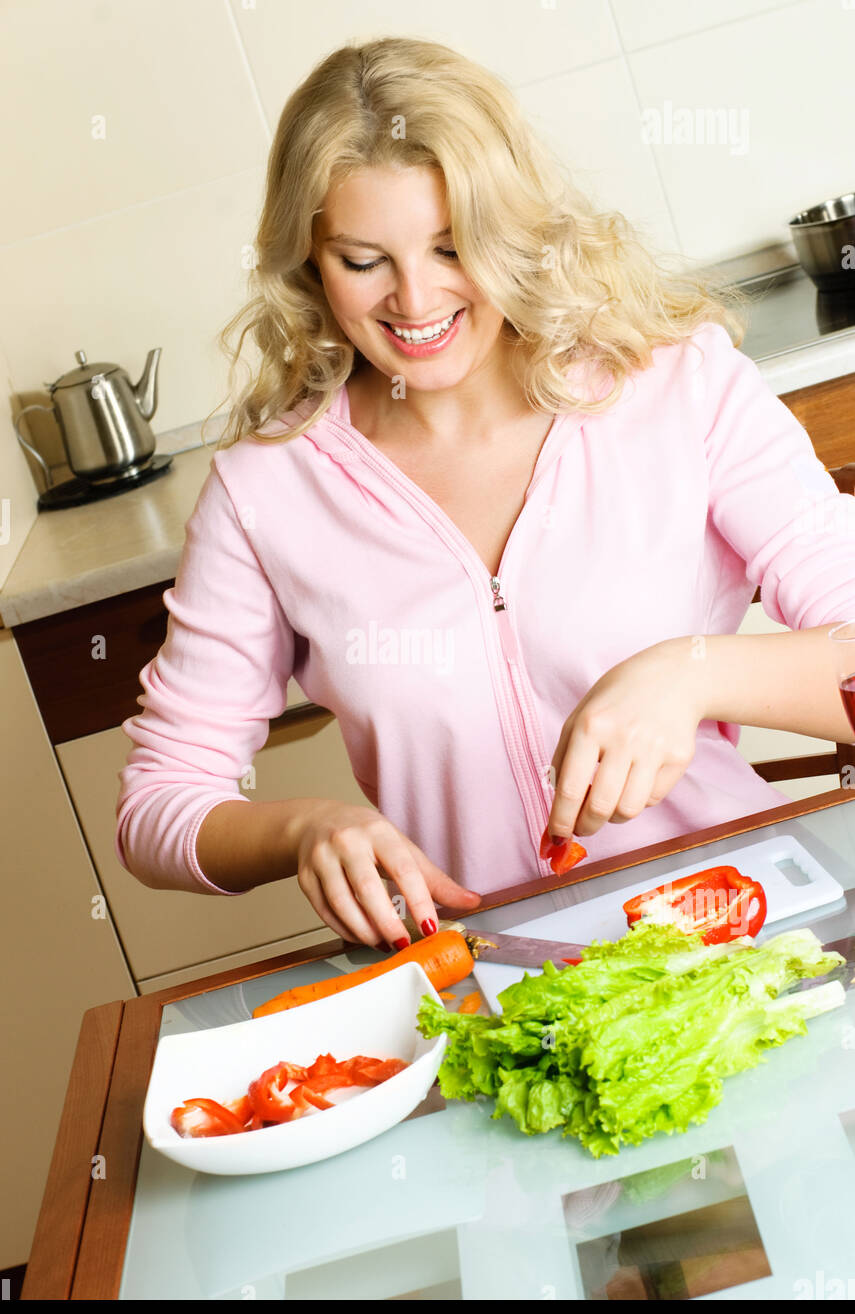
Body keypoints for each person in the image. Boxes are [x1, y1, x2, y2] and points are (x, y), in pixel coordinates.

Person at [115, 36, 855, 954]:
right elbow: (159, 803)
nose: (415, 298)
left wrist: (694, 669)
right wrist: (304, 829)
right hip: (487, 980)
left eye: (452, 244)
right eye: (362, 259)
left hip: (738, 935)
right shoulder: (267, 492)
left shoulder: (674, 387)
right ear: (309, 261)